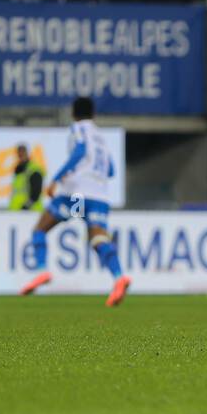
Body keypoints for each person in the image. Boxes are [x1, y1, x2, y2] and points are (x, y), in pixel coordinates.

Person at [19, 97, 131, 306]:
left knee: (40, 229)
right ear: (94, 114)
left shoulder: (79, 128)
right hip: (99, 197)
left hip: (77, 195)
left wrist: (56, 178)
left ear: (73, 113)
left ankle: (42, 270)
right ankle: (119, 276)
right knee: (99, 240)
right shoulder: (101, 137)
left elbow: (79, 151)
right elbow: (111, 170)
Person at [9, 144, 45, 211]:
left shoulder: (33, 169)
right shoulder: (18, 170)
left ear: (27, 153)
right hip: (17, 211)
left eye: (23, 153)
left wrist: (25, 207)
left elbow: (36, 193)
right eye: (19, 154)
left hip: (30, 212)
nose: (21, 156)